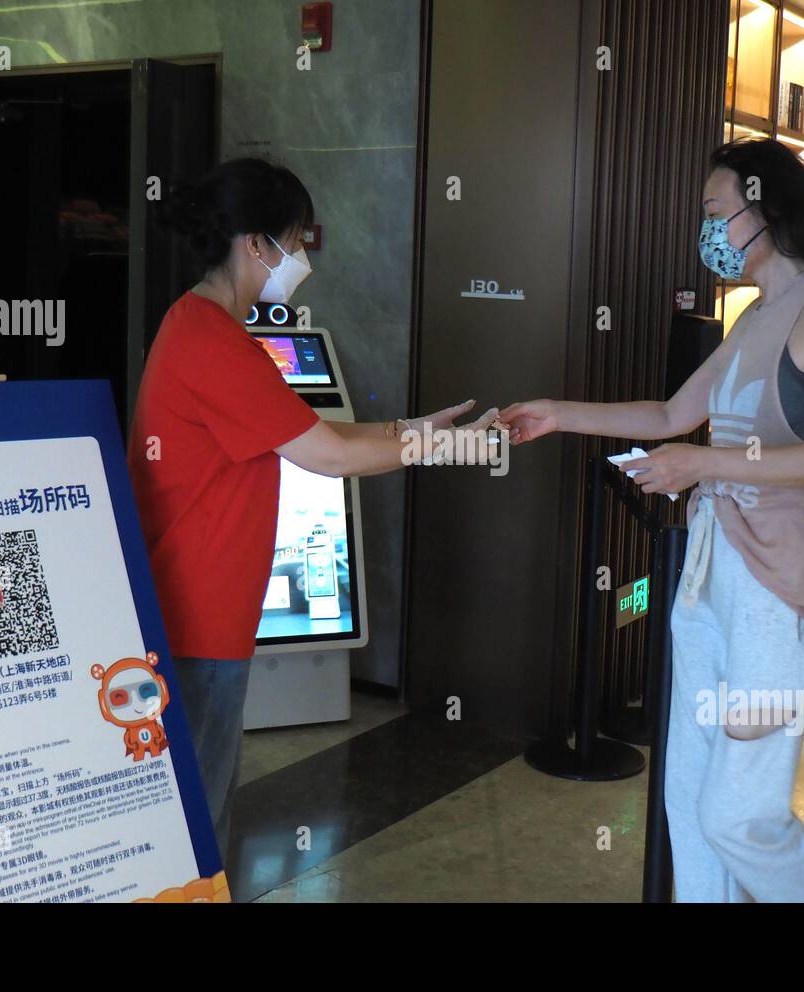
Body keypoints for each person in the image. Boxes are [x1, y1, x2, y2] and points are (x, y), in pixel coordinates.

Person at [503, 138, 804, 902]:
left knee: (741, 816)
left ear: (761, 207)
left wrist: (707, 465)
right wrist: (556, 415)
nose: (706, 231)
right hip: (711, 574)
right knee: (687, 795)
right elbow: (673, 413)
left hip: (776, 587)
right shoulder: (751, 317)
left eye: (713, 212)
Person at [128, 157, 496, 867]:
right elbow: (325, 455)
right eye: (296, 240)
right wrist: (438, 447)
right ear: (255, 244)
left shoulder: (209, 329)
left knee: (204, 805)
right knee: (196, 822)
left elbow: (314, 430)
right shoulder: (212, 342)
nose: (301, 257)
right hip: (194, 617)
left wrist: (421, 430)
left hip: (208, 610)